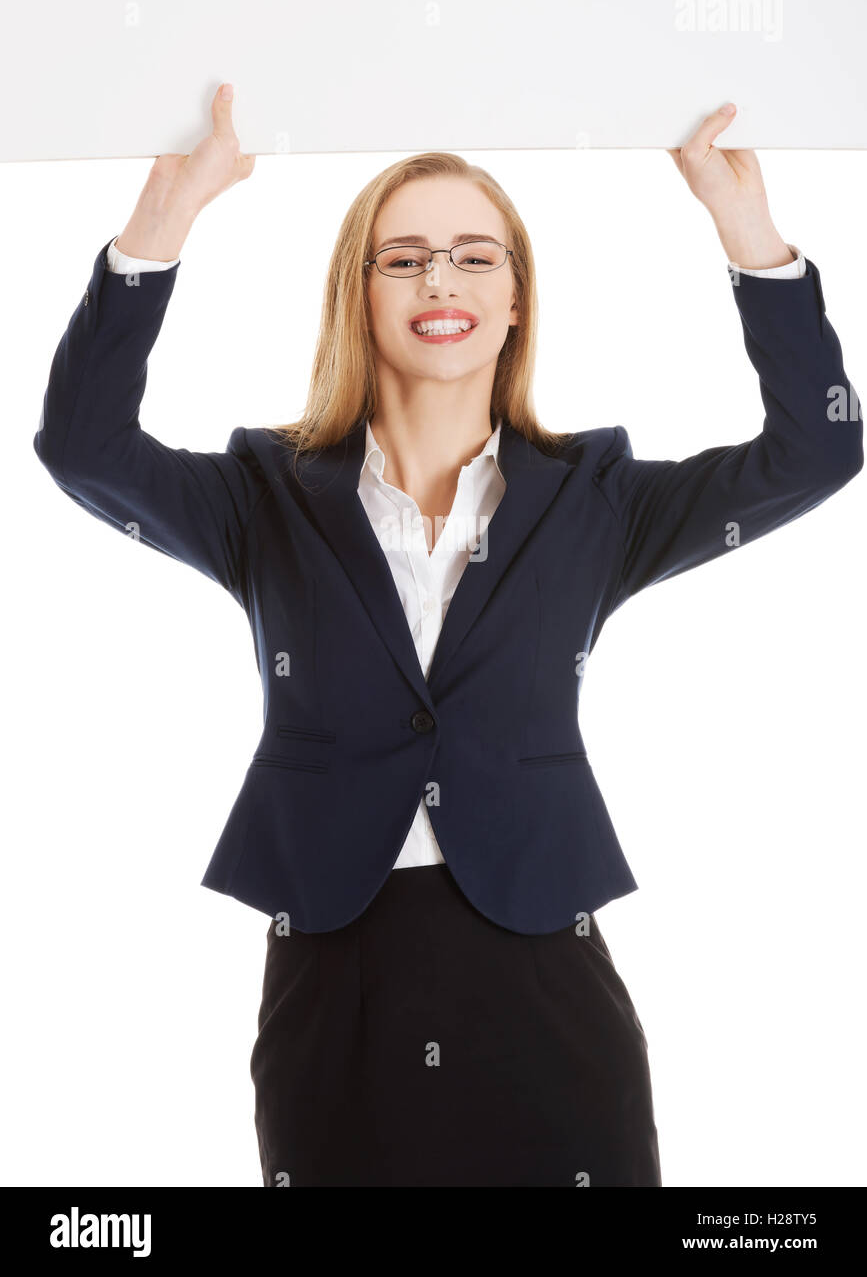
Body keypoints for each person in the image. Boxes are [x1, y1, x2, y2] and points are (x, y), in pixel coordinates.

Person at [33, 84, 863, 1187]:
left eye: (477, 257)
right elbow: (81, 444)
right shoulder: (265, 495)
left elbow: (818, 452)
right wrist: (163, 221)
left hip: (542, 973)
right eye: (406, 257)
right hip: (339, 978)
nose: (441, 281)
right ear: (359, 293)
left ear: (518, 298)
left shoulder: (594, 501)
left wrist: (746, 234)